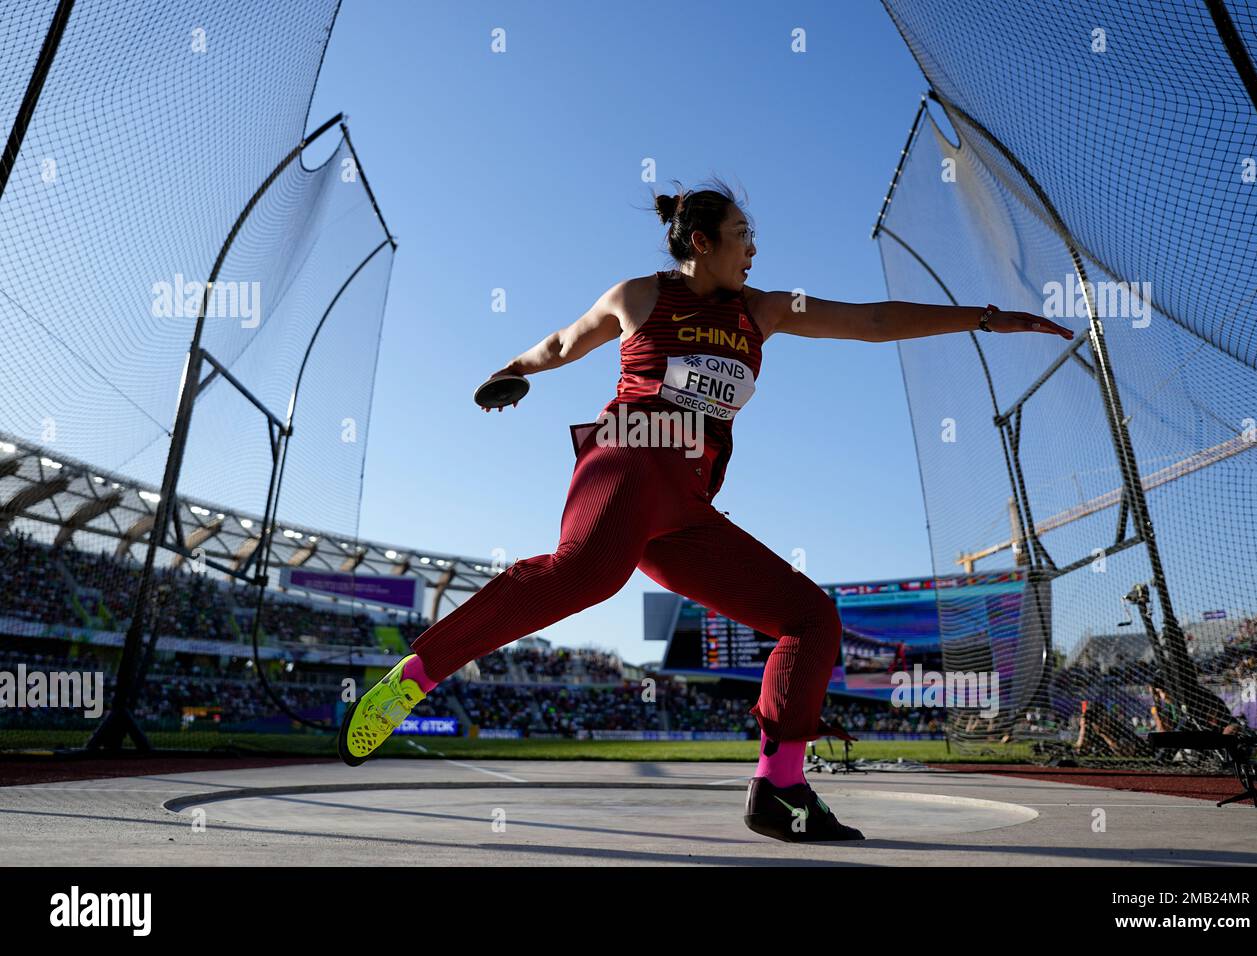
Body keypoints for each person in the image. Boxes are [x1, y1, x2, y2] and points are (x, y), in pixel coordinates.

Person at [337, 178, 1073, 843]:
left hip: (685, 506)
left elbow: (872, 320)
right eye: (743, 235)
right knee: (586, 576)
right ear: (703, 242)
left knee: (810, 616)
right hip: (628, 454)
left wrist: (983, 317)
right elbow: (565, 340)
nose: (754, 249)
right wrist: (515, 369)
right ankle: (415, 676)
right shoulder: (640, 295)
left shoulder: (767, 309)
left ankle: (781, 788)